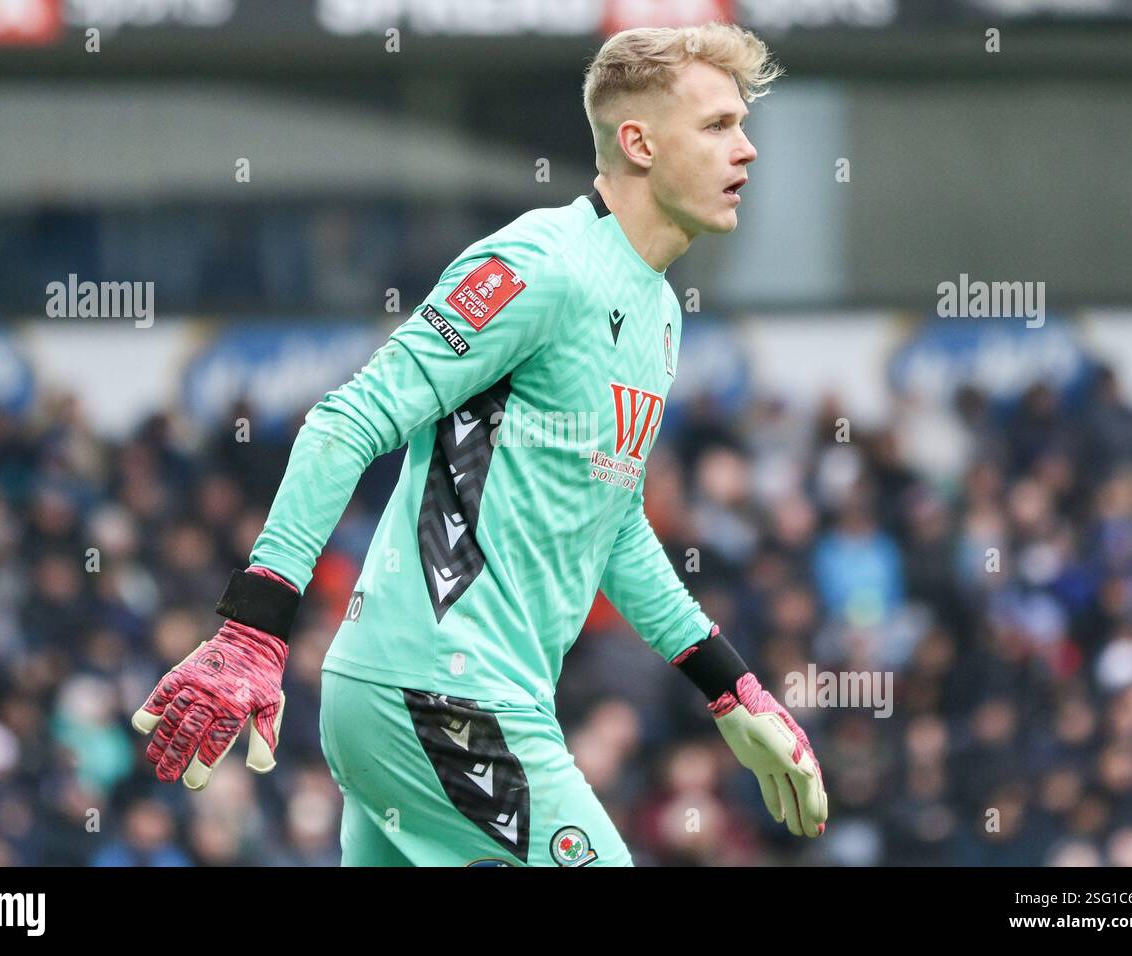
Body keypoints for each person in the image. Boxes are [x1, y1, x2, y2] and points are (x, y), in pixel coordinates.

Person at [131, 21, 827, 866]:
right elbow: (346, 420)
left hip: (448, 697)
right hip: (441, 689)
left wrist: (732, 689)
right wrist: (254, 629)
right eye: (719, 125)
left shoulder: (660, 312)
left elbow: (611, 520)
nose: (747, 150)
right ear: (639, 142)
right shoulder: (541, 263)